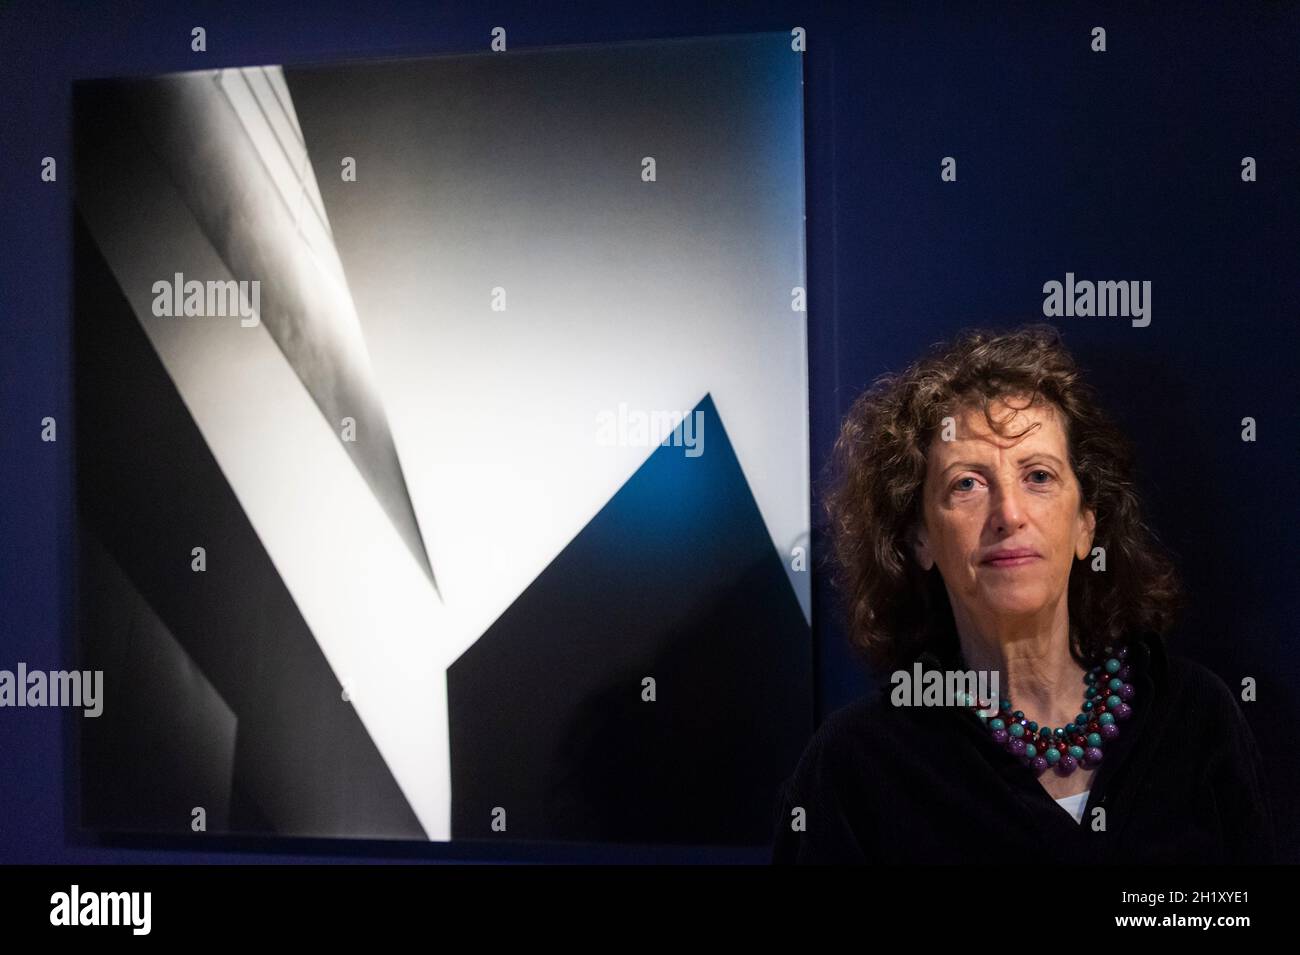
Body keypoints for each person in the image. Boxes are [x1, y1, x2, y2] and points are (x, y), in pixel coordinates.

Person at [771, 324, 1275, 863]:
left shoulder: (1196, 717)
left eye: (1038, 476)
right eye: (967, 484)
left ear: (1086, 524)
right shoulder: (856, 765)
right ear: (921, 538)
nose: (1008, 514)